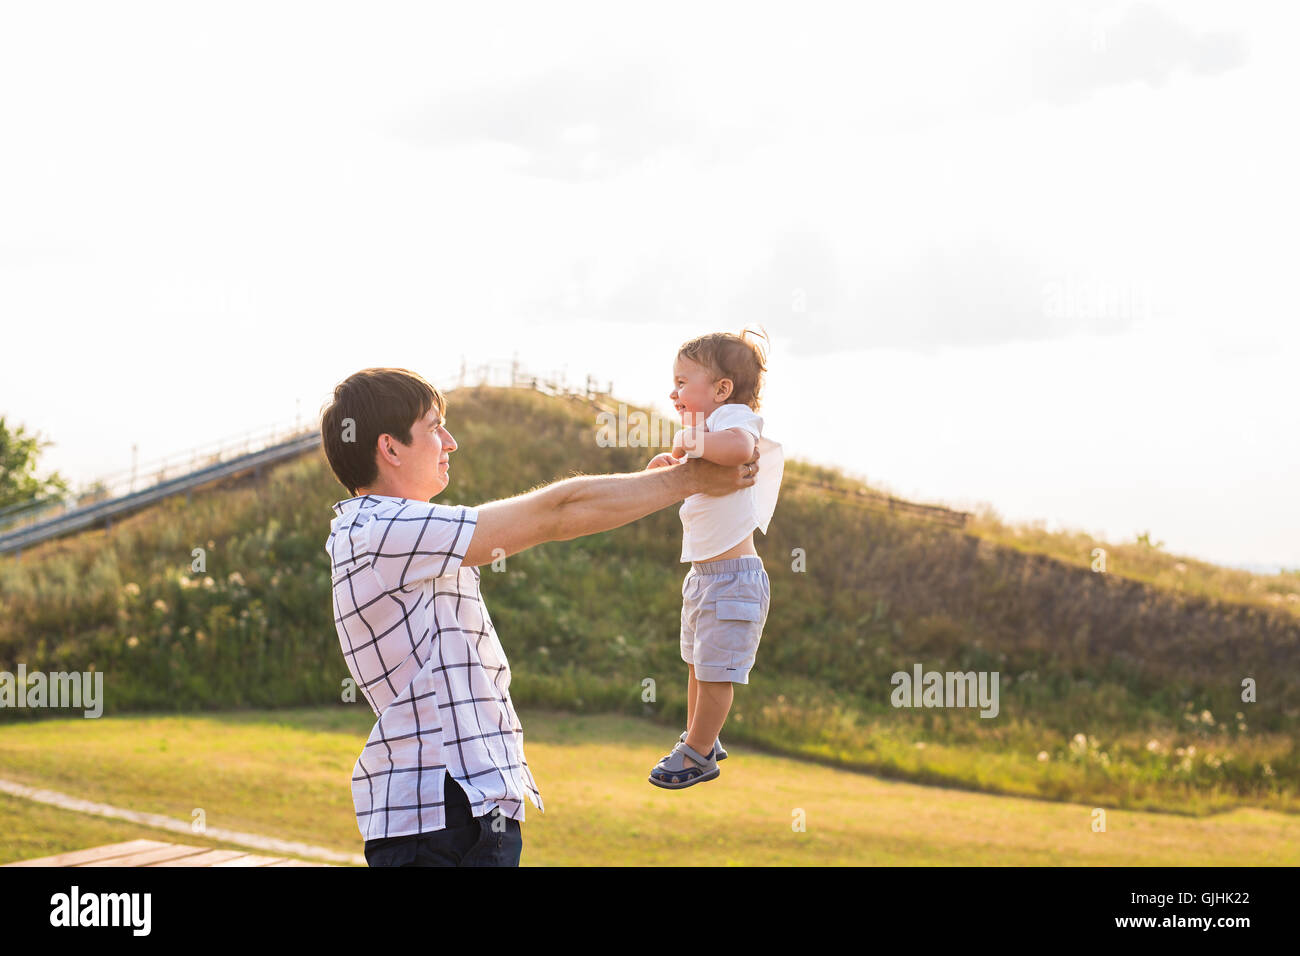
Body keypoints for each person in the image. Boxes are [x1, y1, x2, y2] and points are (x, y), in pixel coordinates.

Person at [320, 367, 760, 866]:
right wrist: (690, 477)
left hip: (463, 807)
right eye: (434, 426)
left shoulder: (403, 535)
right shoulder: (377, 531)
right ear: (390, 448)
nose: (451, 441)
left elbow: (561, 513)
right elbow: (556, 512)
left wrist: (665, 481)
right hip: (440, 814)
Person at [645, 329, 784, 789]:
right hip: (704, 577)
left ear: (722, 389)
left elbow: (741, 450)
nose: (673, 392)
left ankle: (699, 754)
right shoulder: (707, 433)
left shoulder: (734, 420)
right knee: (697, 664)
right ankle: (700, 735)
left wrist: (692, 441)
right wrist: (673, 465)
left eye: (684, 381)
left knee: (715, 672)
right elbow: (700, 483)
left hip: (733, 579)